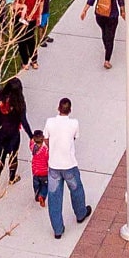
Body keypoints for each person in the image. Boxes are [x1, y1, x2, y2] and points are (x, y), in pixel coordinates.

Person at [42, 97, 89, 236]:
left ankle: (58, 229)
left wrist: (52, 148)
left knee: (54, 197)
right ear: (70, 110)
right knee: (76, 189)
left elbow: (45, 138)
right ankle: (81, 214)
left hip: (54, 166)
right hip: (69, 164)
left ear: (58, 108)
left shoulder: (50, 122)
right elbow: (74, 137)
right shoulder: (74, 123)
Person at [0, 76, 27, 191]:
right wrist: (31, 136)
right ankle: (11, 178)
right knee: (13, 156)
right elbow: (24, 121)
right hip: (13, 134)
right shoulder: (18, 102)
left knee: (0, 156)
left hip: (0, 132)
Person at [90, 0, 121, 67]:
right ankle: (107, 59)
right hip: (112, 15)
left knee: (104, 32)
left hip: (100, 14)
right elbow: (120, 1)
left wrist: (85, 10)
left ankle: (106, 47)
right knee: (111, 36)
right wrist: (123, 11)